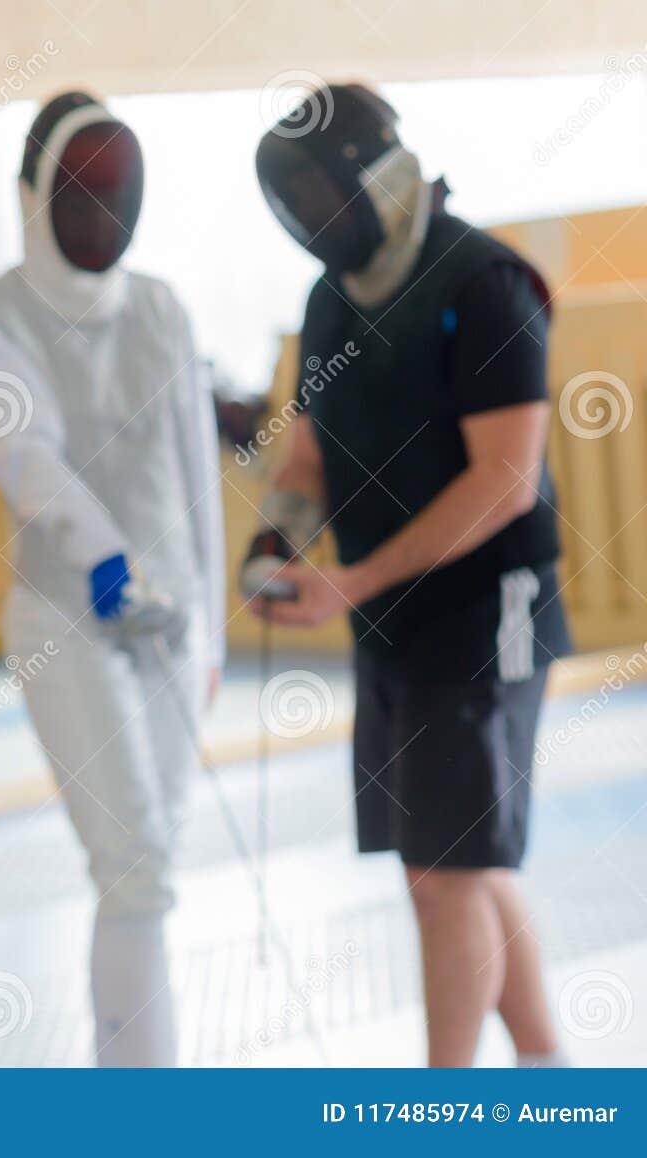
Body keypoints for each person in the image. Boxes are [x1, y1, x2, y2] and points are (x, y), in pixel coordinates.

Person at [246, 83, 571, 1067]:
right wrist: (274, 544)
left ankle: (444, 1107)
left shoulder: (485, 285)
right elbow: (304, 460)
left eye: (327, 197)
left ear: (380, 174)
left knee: (442, 873)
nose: (319, 222)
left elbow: (506, 481)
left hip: (487, 613)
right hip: (387, 619)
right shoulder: (329, 300)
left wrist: (356, 579)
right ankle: (548, 1071)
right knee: (449, 866)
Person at [0, 91, 225, 1067]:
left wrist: (211, 628)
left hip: (175, 623)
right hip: (69, 616)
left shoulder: (161, 308)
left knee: (153, 871)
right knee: (134, 869)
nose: (101, 215)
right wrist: (103, 551)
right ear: (31, 194)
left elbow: (194, 471)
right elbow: (24, 449)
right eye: (79, 191)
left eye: (116, 193)